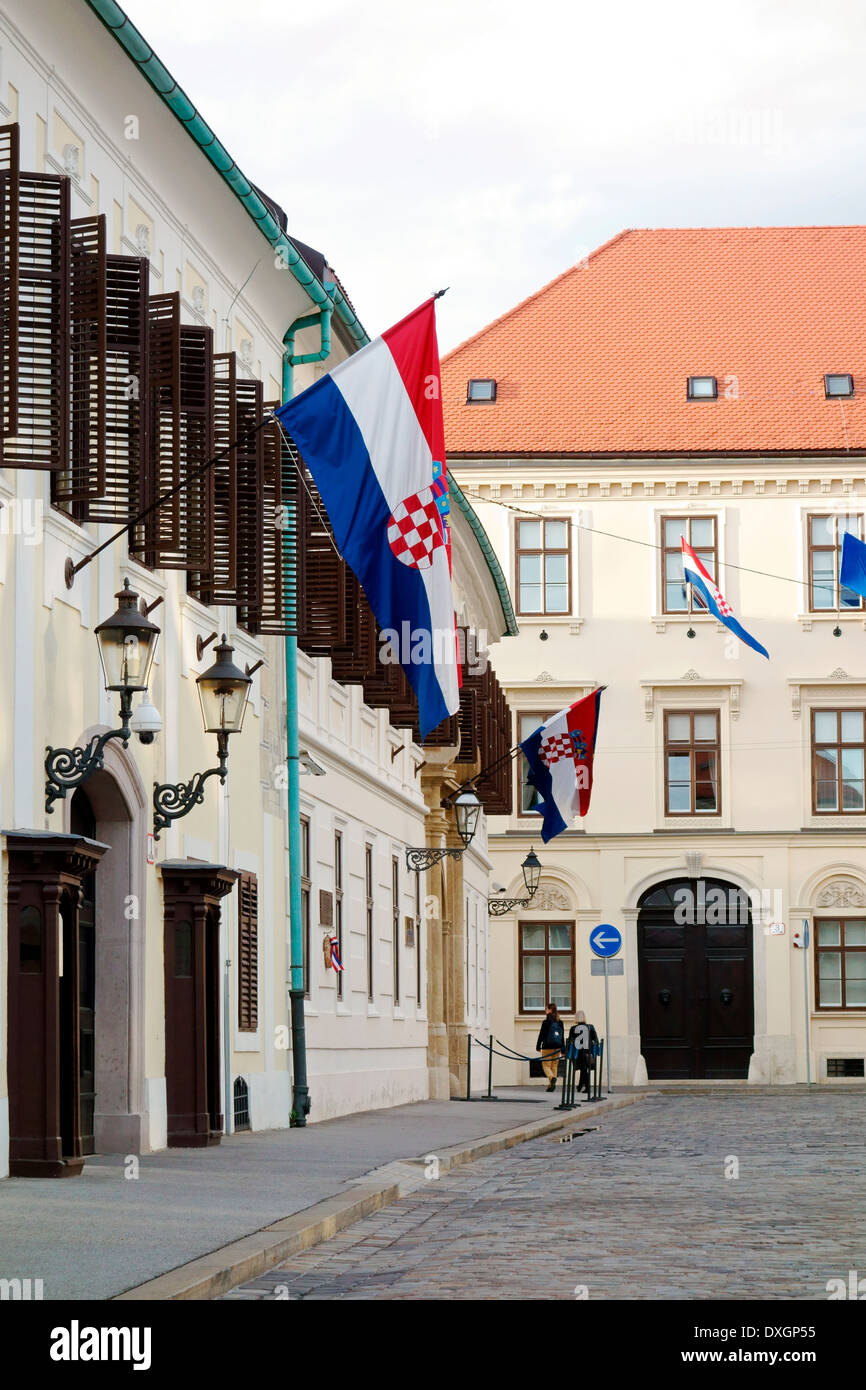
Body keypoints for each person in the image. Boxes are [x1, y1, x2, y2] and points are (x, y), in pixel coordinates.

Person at [536, 1002, 565, 1091]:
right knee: (554, 1065)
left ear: (550, 1010)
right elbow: (562, 1036)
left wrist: (538, 1045)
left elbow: (541, 1034)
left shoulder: (546, 1022)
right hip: (557, 1047)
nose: (545, 1010)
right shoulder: (560, 1022)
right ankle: (551, 1086)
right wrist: (563, 1049)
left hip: (547, 1046)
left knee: (546, 1065)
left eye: (546, 1009)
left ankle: (552, 1078)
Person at [572, 1010, 599, 1097]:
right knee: (585, 1070)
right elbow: (596, 1039)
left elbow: (570, 1041)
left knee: (583, 1069)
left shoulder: (573, 1028)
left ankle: (585, 1087)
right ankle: (581, 1086)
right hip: (588, 1052)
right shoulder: (590, 1027)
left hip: (579, 1052)